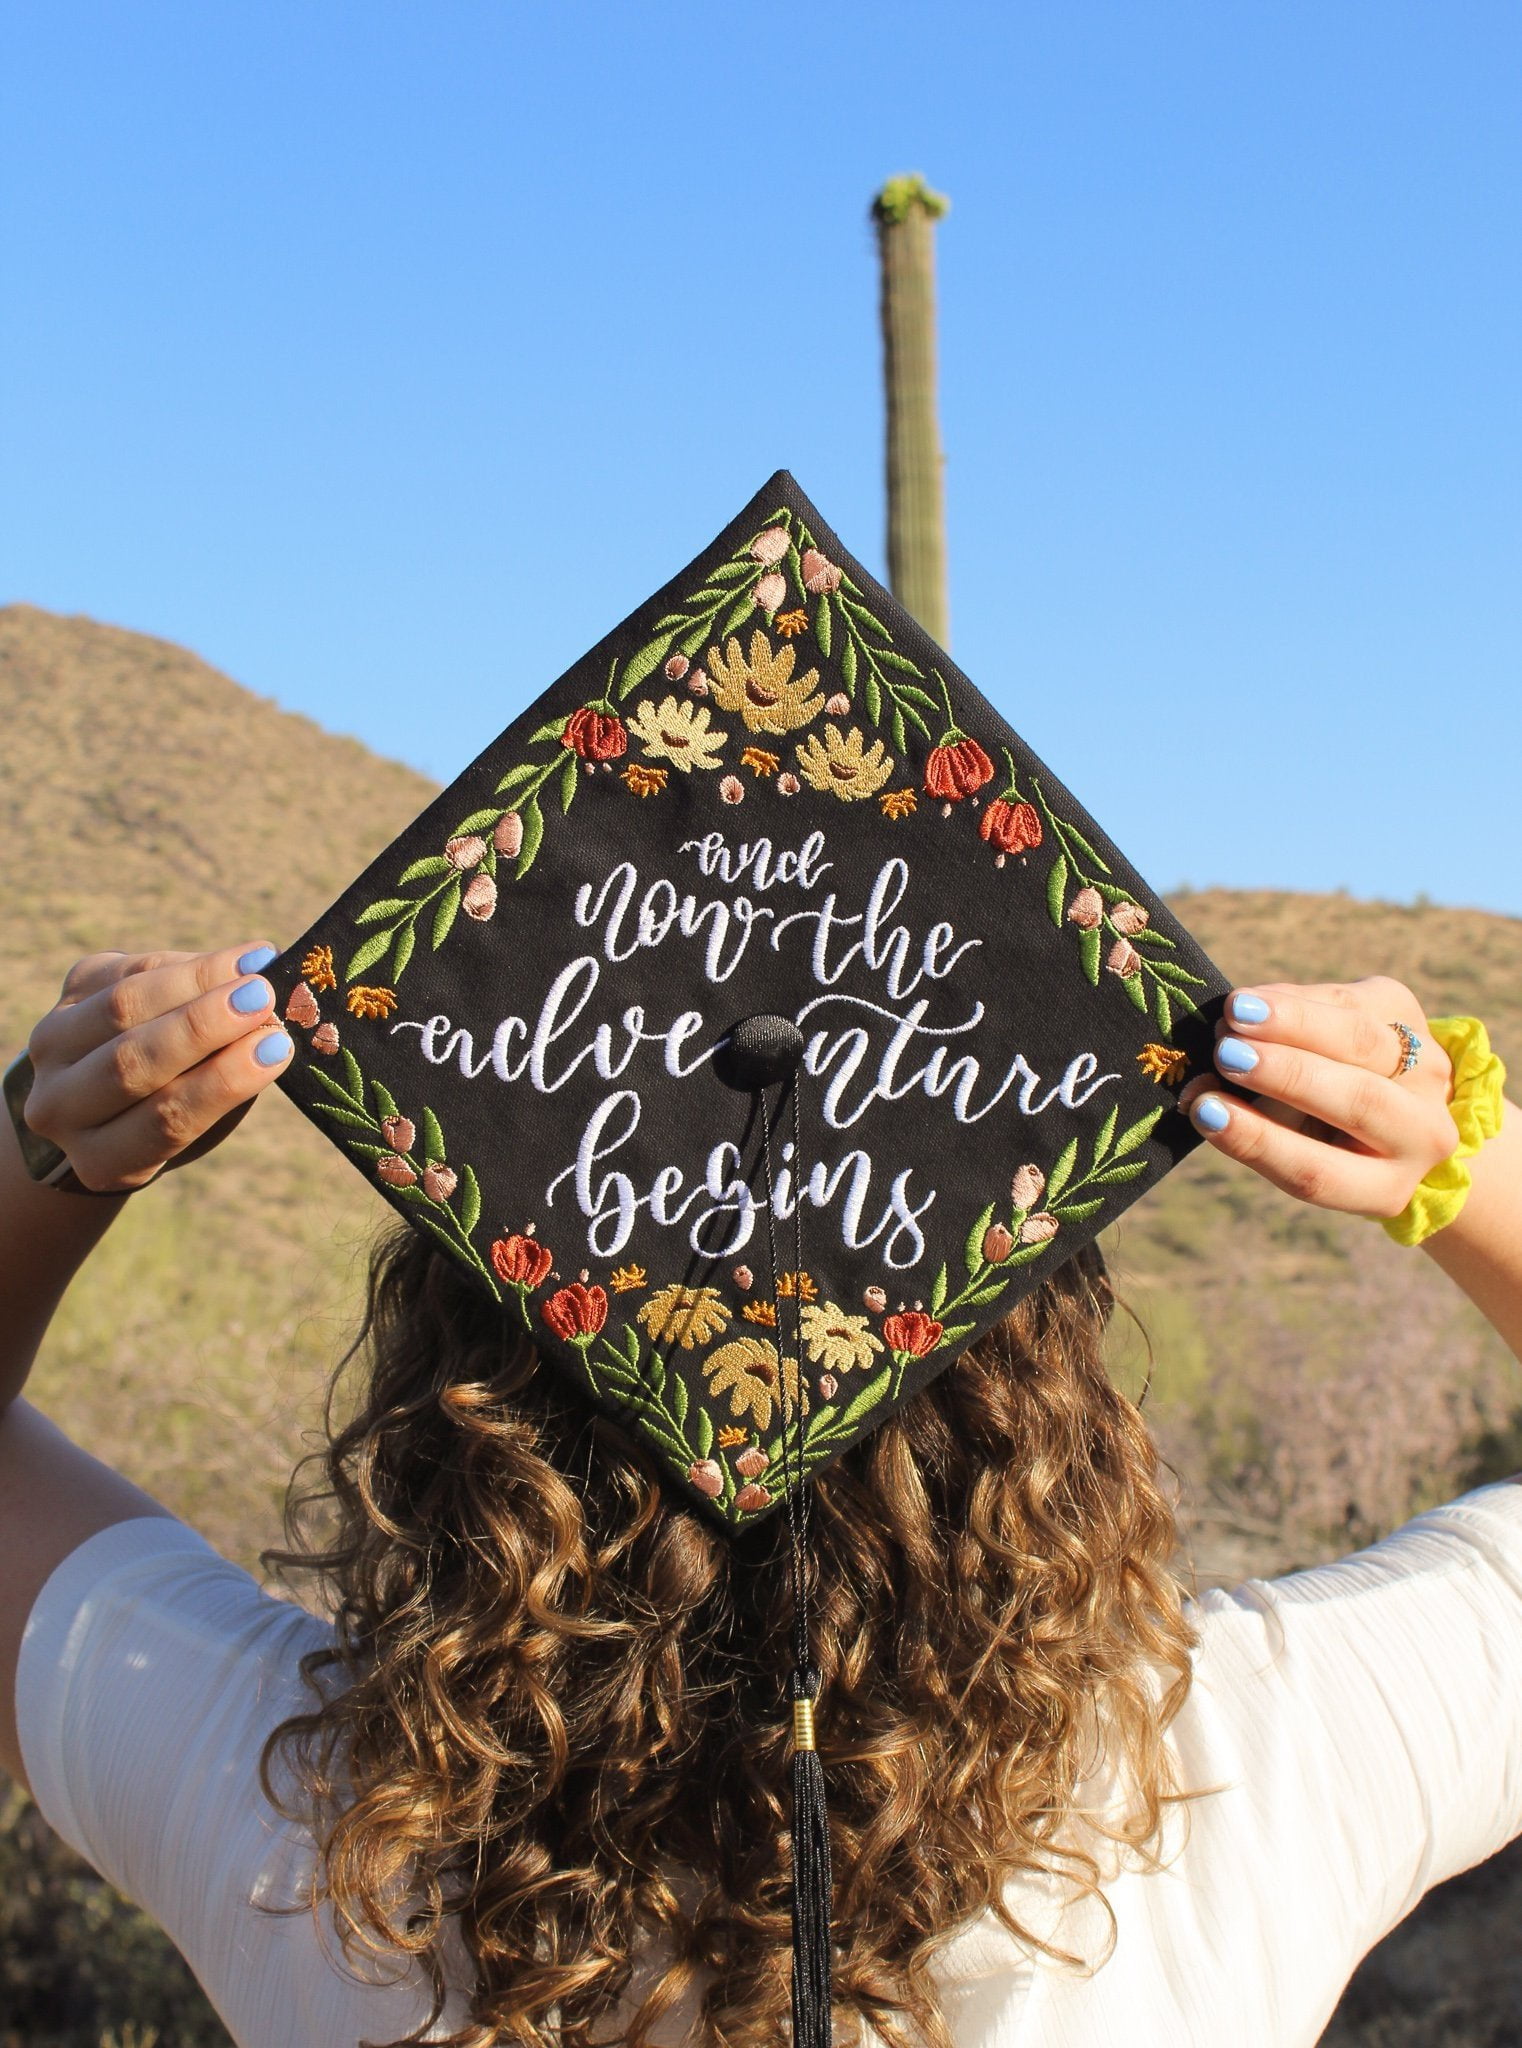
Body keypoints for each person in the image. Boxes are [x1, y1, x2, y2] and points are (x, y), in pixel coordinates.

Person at [0, 941, 1518, 2048]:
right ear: (1047, 1396)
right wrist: (1458, 1147)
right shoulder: (1245, 1775)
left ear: (460, 1403)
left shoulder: (309, 1830)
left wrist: (46, 1158)